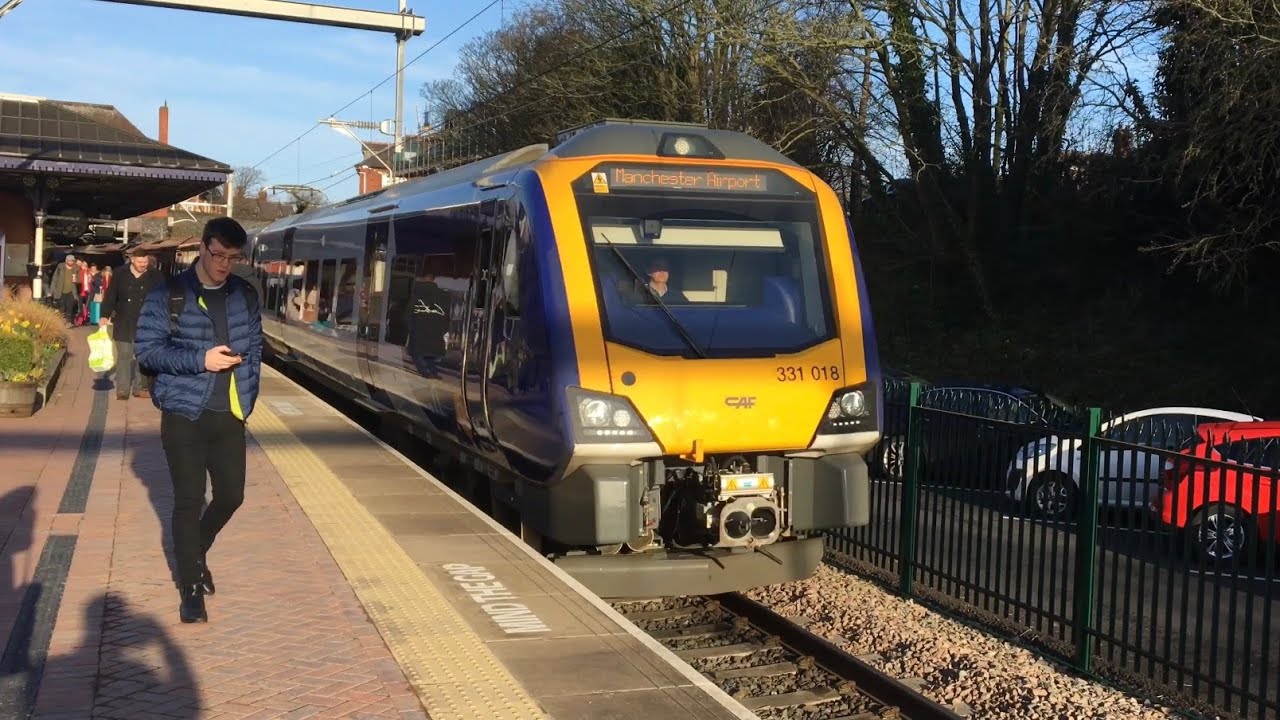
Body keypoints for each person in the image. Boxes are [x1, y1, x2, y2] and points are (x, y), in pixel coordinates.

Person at [134, 217, 262, 624]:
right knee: (189, 500)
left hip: (230, 413)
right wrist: (199, 361)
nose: (225, 264)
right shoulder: (167, 295)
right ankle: (190, 585)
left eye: (233, 257)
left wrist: (249, 394)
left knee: (231, 496)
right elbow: (148, 352)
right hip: (184, 413)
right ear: (203, 249)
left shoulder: (245, 294)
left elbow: (255, 346)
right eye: (219, 255)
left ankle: (193, 551)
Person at [101, 251, 165, 399]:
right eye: (139, 262)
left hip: (147, 322)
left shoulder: (156, 276)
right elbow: (111, 294)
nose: (143, 265)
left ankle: (140, 387)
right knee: (124, 355)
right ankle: (122, 390)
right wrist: (105, 314)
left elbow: (163, 297)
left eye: (145, 262)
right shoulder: (120, 273)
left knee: (141, 356)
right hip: (124, 320)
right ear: (132, 260)